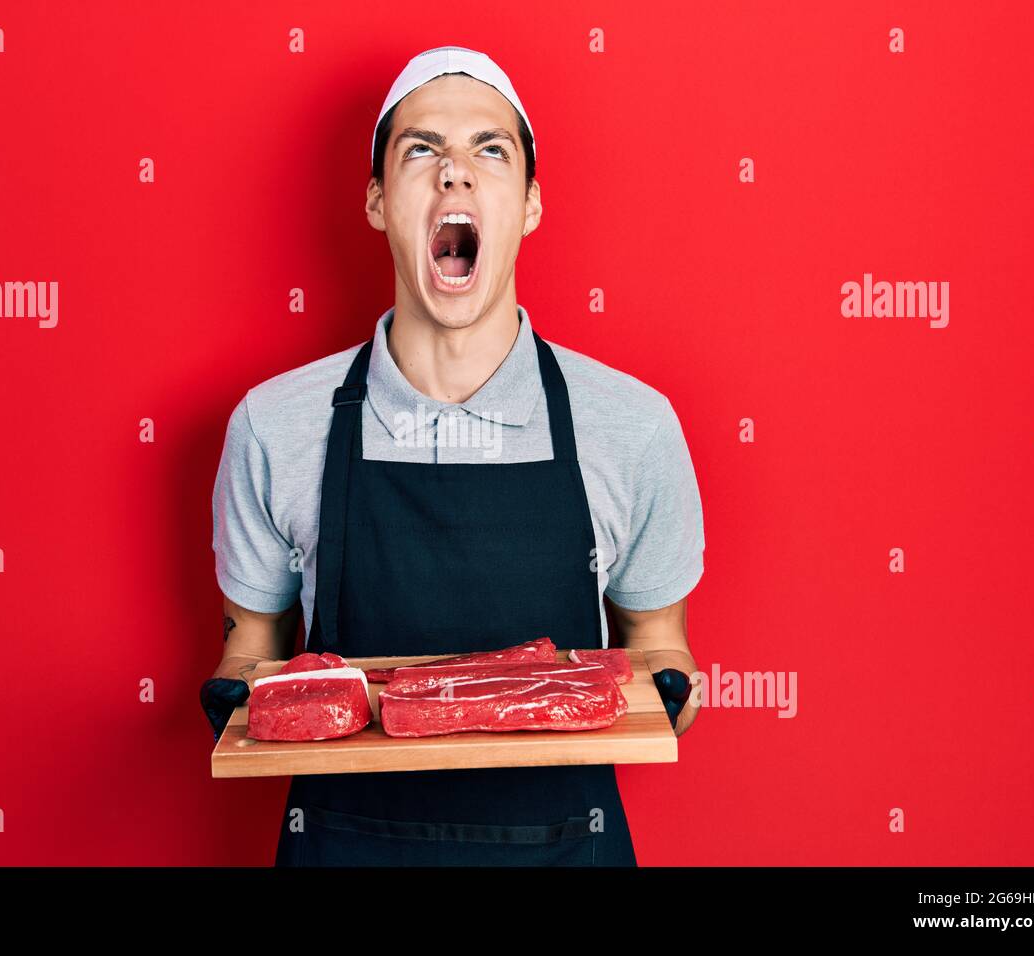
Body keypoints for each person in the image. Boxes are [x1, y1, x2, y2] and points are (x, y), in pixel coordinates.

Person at [202, 46, 705, 866]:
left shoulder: (633, 425)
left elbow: (657, 645)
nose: (455, 175)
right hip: (344, 847)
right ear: (376, 200)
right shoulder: (274, 425)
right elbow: (249, 654)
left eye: (490, 150)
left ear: (532, 203)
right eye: (422, 150)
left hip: (566, 849)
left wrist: (672, 691)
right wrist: (239, 698)